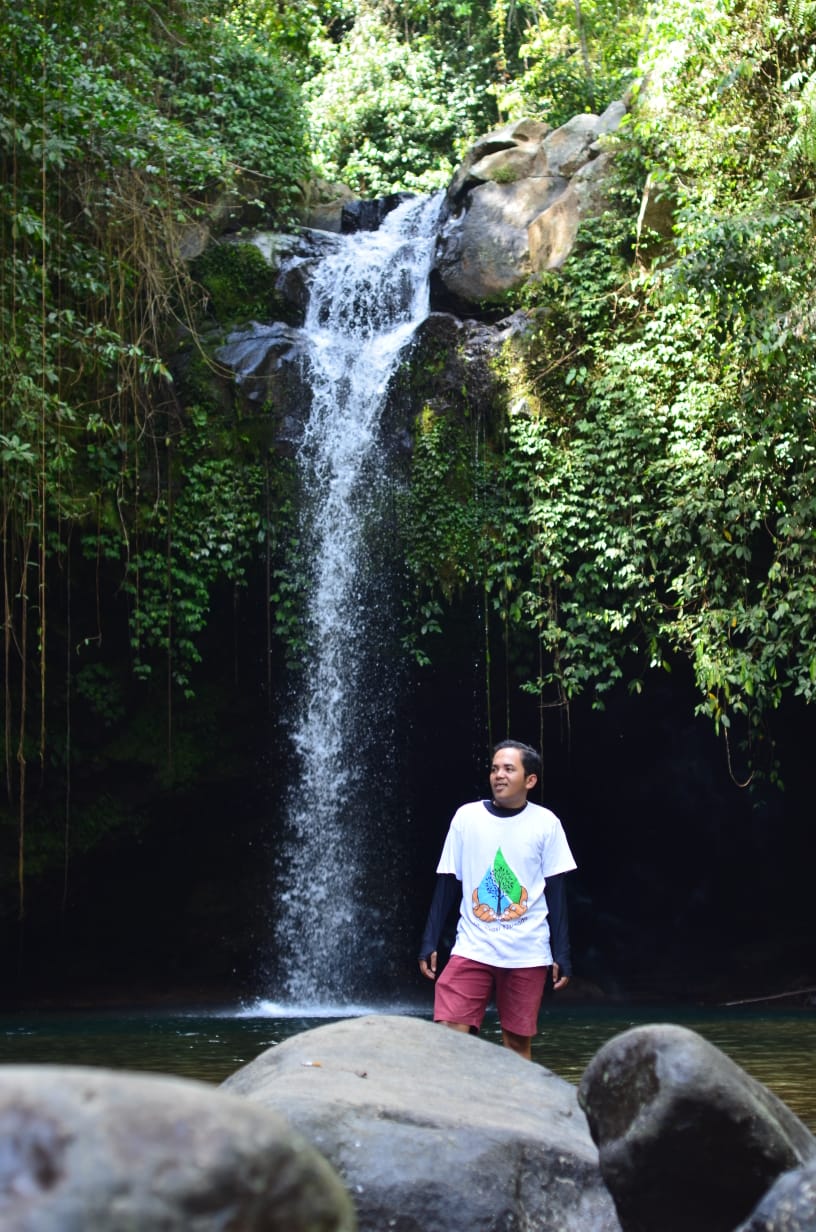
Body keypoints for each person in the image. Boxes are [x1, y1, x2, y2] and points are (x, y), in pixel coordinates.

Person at [418, 739, 576, 1060]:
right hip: (473, 946)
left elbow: (556, 891)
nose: (498, 775)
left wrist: (562, 952)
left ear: (529, 780)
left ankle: (517, 1108)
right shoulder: (467, 818)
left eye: (508, 769)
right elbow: (448, 881)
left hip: (527, 950)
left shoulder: (546, 824)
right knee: (451, 1030)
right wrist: (429, 940)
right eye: (494, 769)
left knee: (516, 1044)